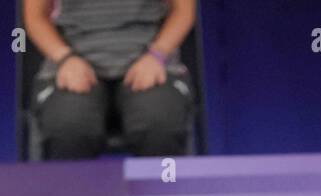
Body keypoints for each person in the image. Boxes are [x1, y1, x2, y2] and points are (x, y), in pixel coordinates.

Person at [23, 0, 196, 159]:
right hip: (71, 65)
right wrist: (65, 58)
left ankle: (163, 190)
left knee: (159, 124)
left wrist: (157, 55)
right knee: (69, 127)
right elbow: (35, 17)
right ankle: (73, 193)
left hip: (152, 64)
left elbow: (184, 11)